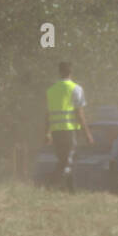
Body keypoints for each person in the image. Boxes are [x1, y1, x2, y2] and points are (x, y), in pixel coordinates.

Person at [45, 61, 94, 191]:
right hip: (69, 130)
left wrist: (47, 132)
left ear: (59, 72)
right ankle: (50, 185)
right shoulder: (76, 89)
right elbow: (79, 114)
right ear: (71, 72)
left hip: (56, 131)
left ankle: (70, 189)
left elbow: (48, 114)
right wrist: (87, 134)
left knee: (64, 159)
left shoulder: (51, 90)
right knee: (67, 160)